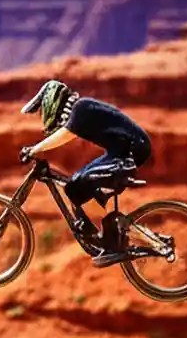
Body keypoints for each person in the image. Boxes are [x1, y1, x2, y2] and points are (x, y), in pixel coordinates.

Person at [19, 80, 152, 266]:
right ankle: (105, 233)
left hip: (132, 150)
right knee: (76, 186)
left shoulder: (81, 108)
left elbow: (66, 134)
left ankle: (112, 243)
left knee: (76, 185)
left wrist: (34, 149)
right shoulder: (81, 109)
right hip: (120, 151)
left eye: (43, 110)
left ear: (53, 101)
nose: (43, 115)